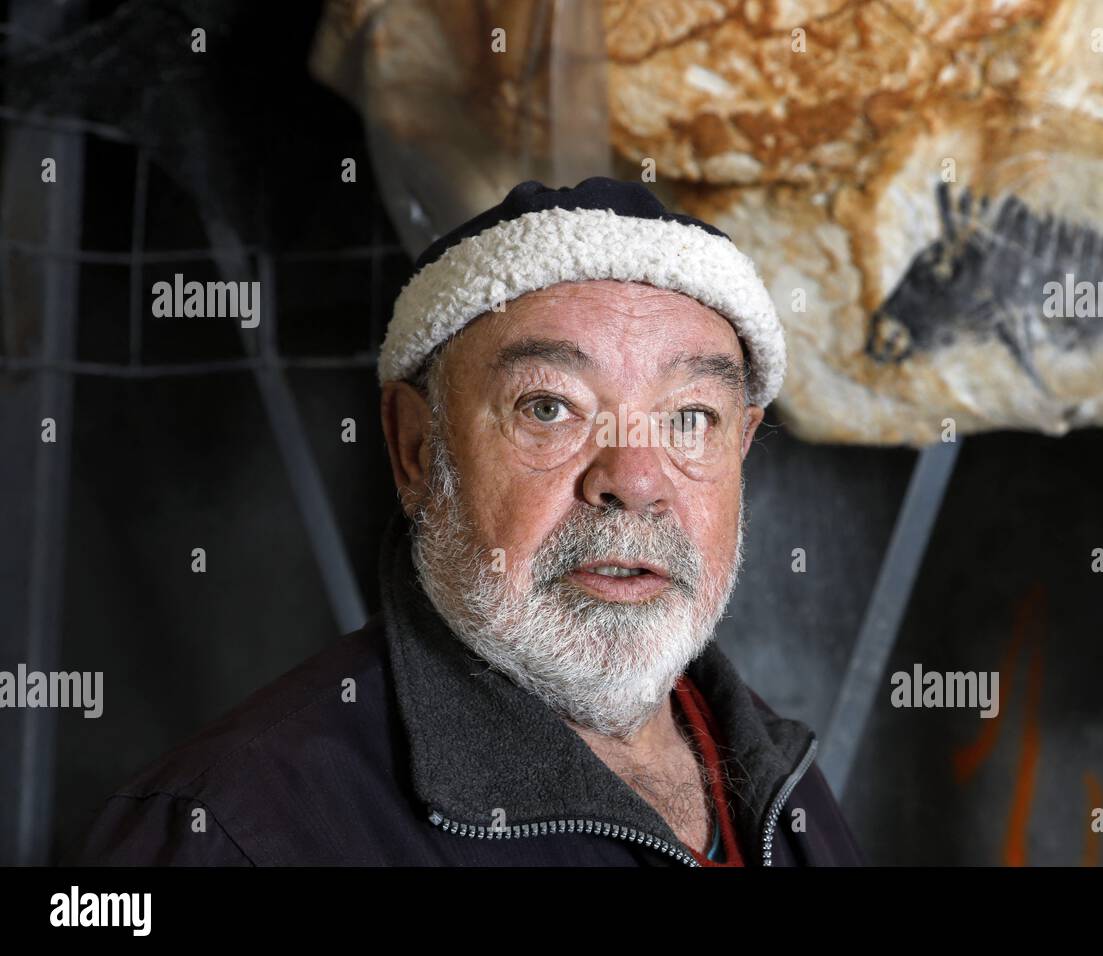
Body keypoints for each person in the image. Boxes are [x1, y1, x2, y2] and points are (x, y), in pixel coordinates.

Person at [71, 177, 864, 866]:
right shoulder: (237, 829)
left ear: (743, 447)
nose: (635, 479)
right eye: (550, 408)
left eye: (692, 418)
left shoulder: (778, 774)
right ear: (416, 448)